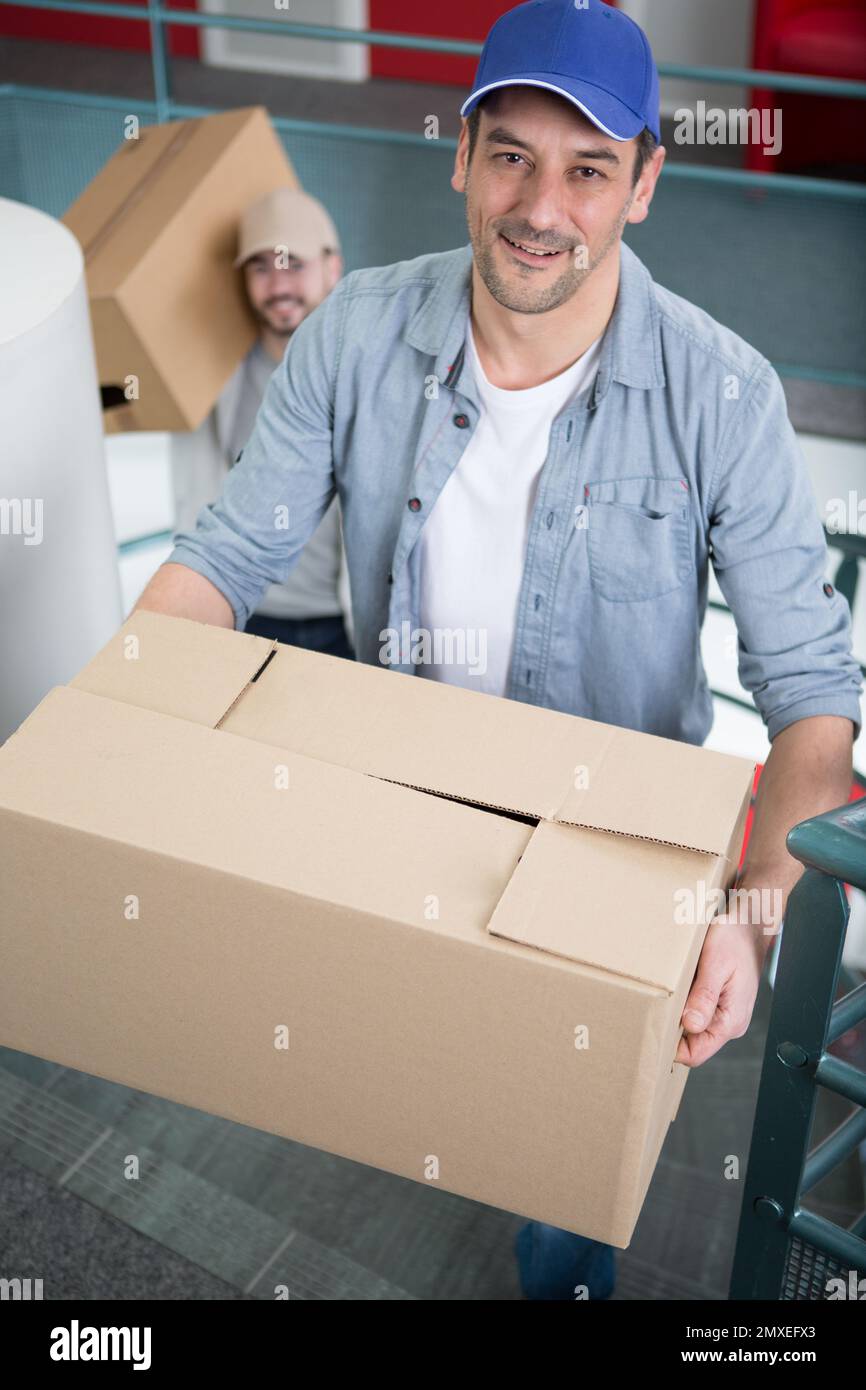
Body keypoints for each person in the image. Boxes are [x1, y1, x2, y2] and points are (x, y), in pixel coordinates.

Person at [133, 0, 862, 1300]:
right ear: (461, 155)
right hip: (408, 792)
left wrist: (749, 920)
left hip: (611, 841)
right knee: (409, 1055)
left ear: (643, 183)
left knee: (558, 1153)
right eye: (512, 154)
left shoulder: (726, 394)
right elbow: (222, 562)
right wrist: (115, 737)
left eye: (587, 168)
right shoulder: (353, 332)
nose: (541, 205)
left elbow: (809, 699)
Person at [170, 187, 354, 657]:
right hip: (241, 612)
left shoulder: (365, 369)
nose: (277, 286)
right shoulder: (213, 375)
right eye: (260, 268)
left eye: (294, 264)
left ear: (333, 268)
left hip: (342, 621)